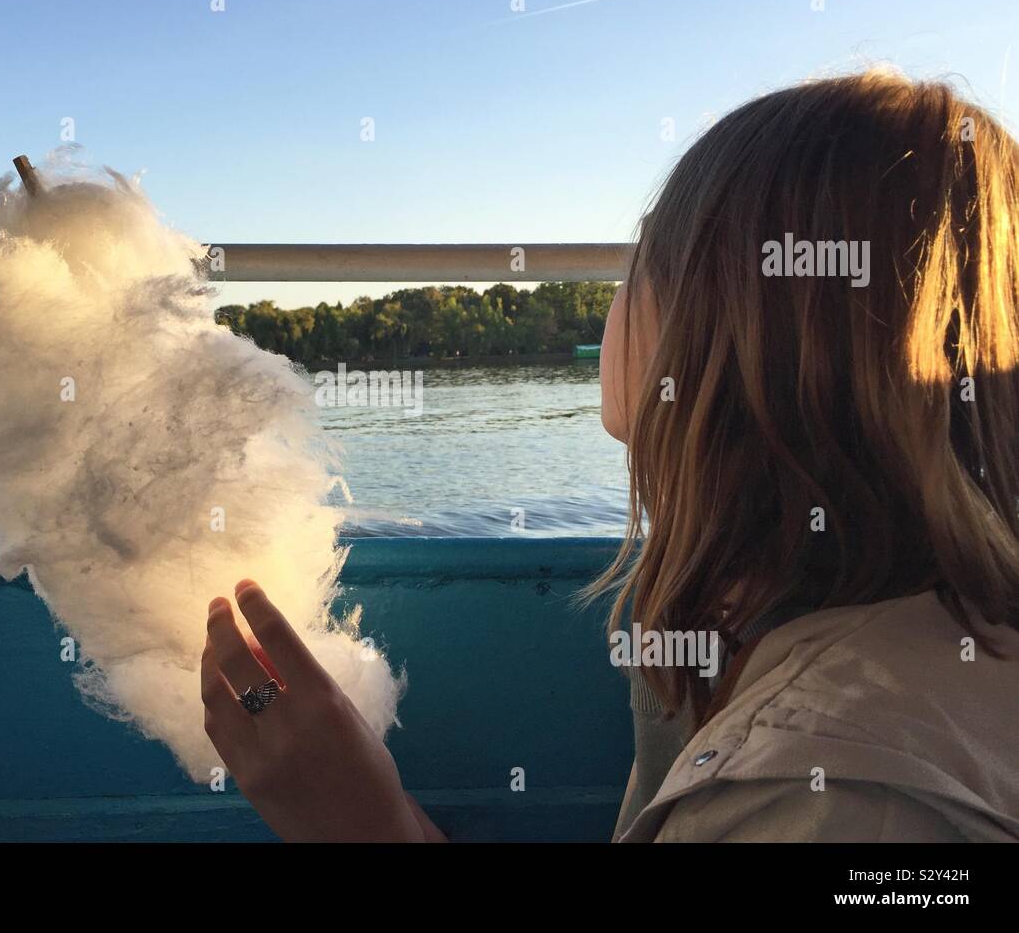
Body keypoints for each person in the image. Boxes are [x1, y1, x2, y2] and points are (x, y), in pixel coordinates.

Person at [199, 70, 1019, 842]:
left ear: (720, 336)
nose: (615, 295)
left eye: (642, 261)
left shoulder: (827, 793)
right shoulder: (788, 631)